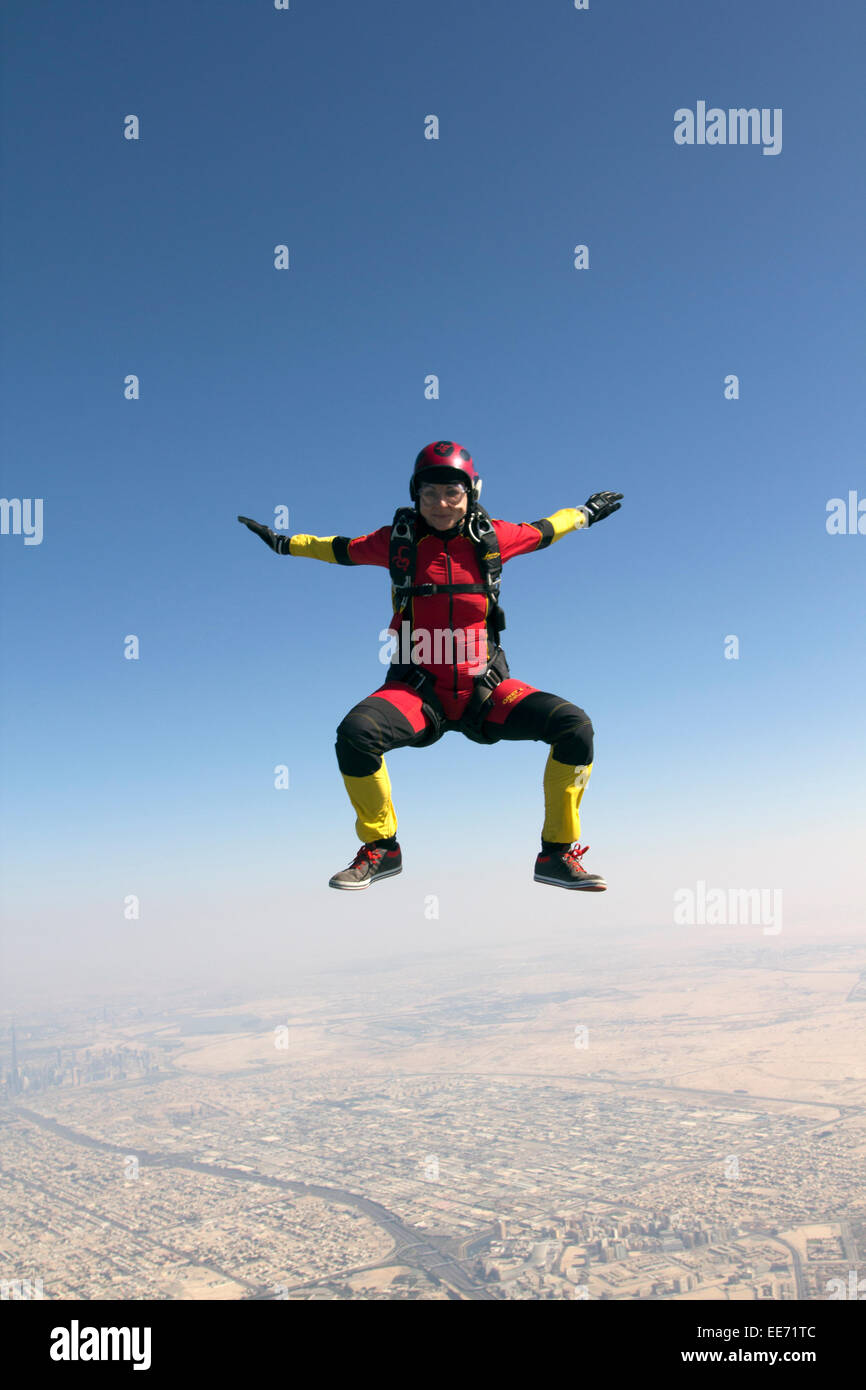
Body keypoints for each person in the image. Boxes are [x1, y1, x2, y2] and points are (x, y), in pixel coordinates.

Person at [239, 441, 623, 892]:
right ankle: (382, 848)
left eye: (452, 494)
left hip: (486, 689)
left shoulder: (493, 537)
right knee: (355, 736)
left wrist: (585, 513)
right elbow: (337, 548)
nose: (440, 504)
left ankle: (556, 855)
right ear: (414, 496)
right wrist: (286, 544)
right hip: (419, 691)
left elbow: (545, 529)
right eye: (429, 494)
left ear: (471, 494)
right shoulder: (397, 543)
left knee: (574, 727)